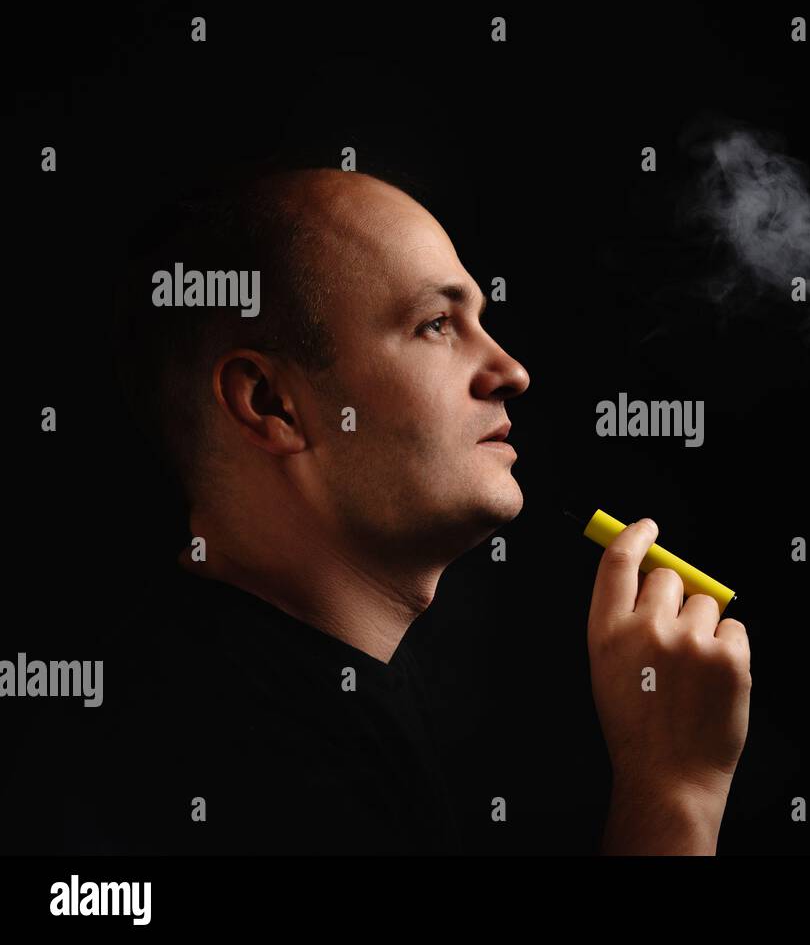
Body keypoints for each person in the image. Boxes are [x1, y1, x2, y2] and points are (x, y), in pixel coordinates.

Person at [99, 167, 751, 854]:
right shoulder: (225, 761)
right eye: (436, 324)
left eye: (478, 320)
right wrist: (673, 793)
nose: (510, 370)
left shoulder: (301, 696)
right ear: (269, 403)